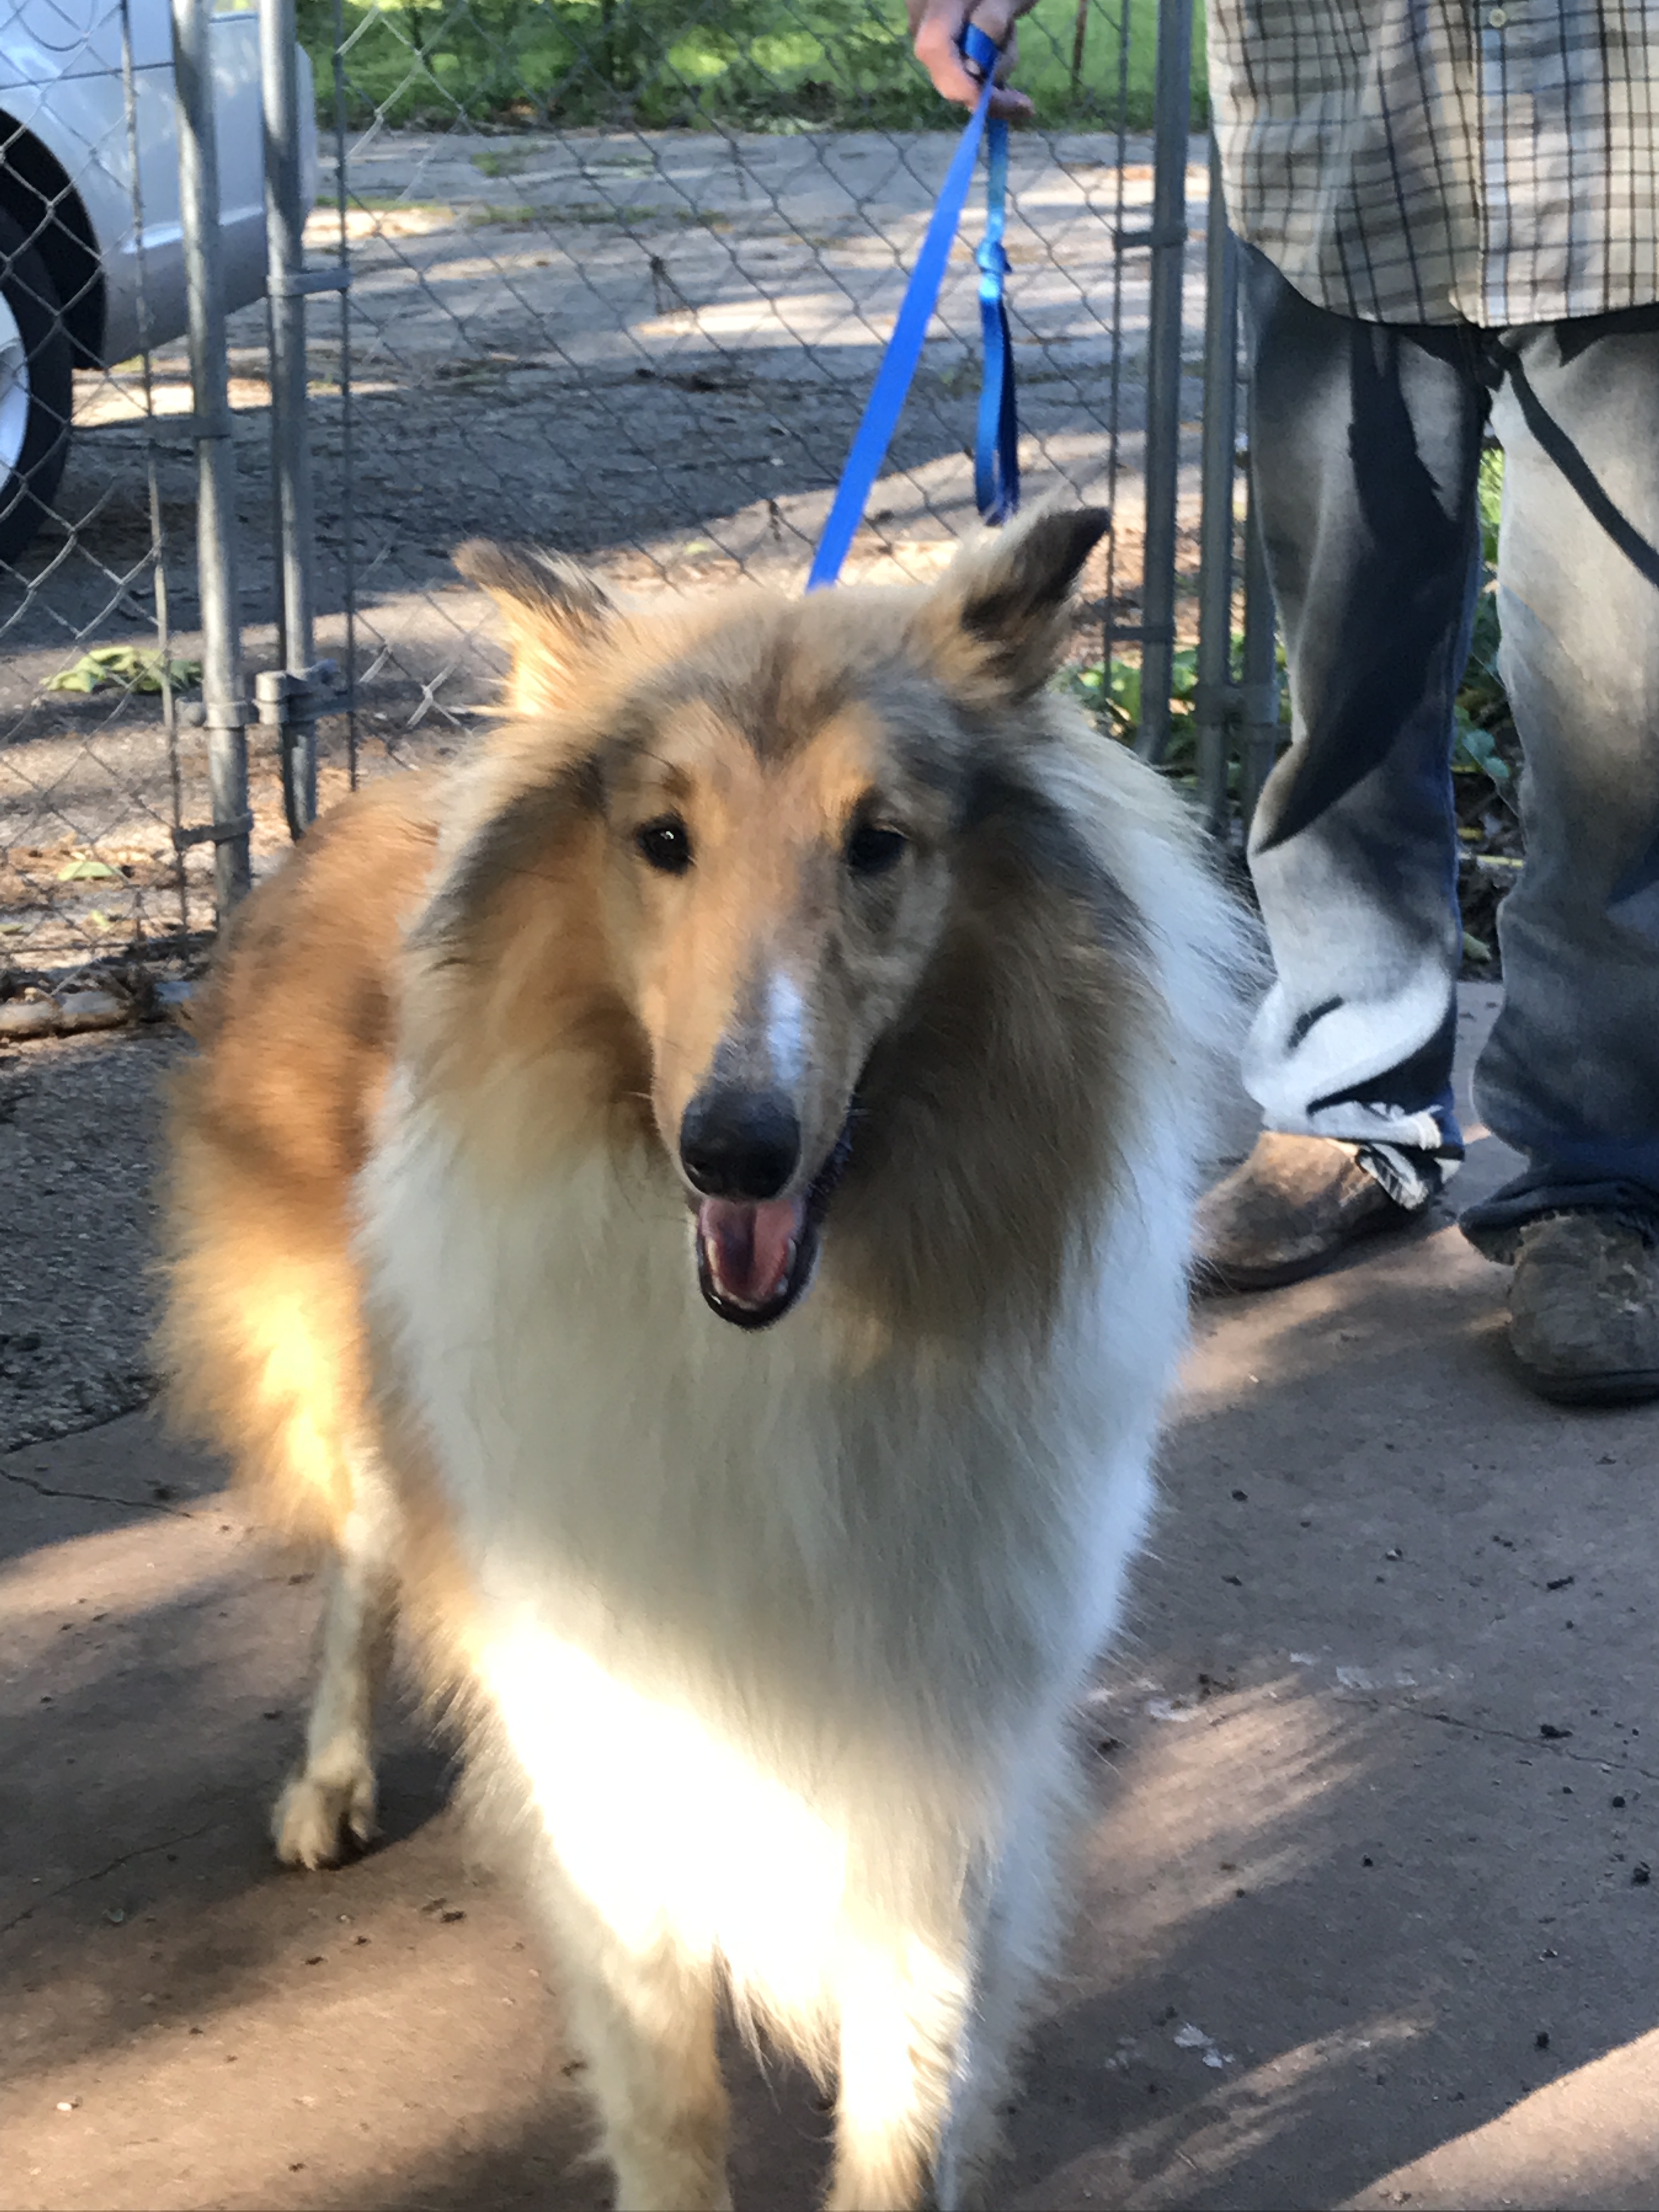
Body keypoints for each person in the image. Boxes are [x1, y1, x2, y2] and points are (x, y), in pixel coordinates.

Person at [909, 0, 1659, 1406]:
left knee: (1623, 718)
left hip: (1631, 153)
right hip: (1351, 144)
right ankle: (1354, 1104)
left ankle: (1605, 1188)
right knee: (1346, 695)